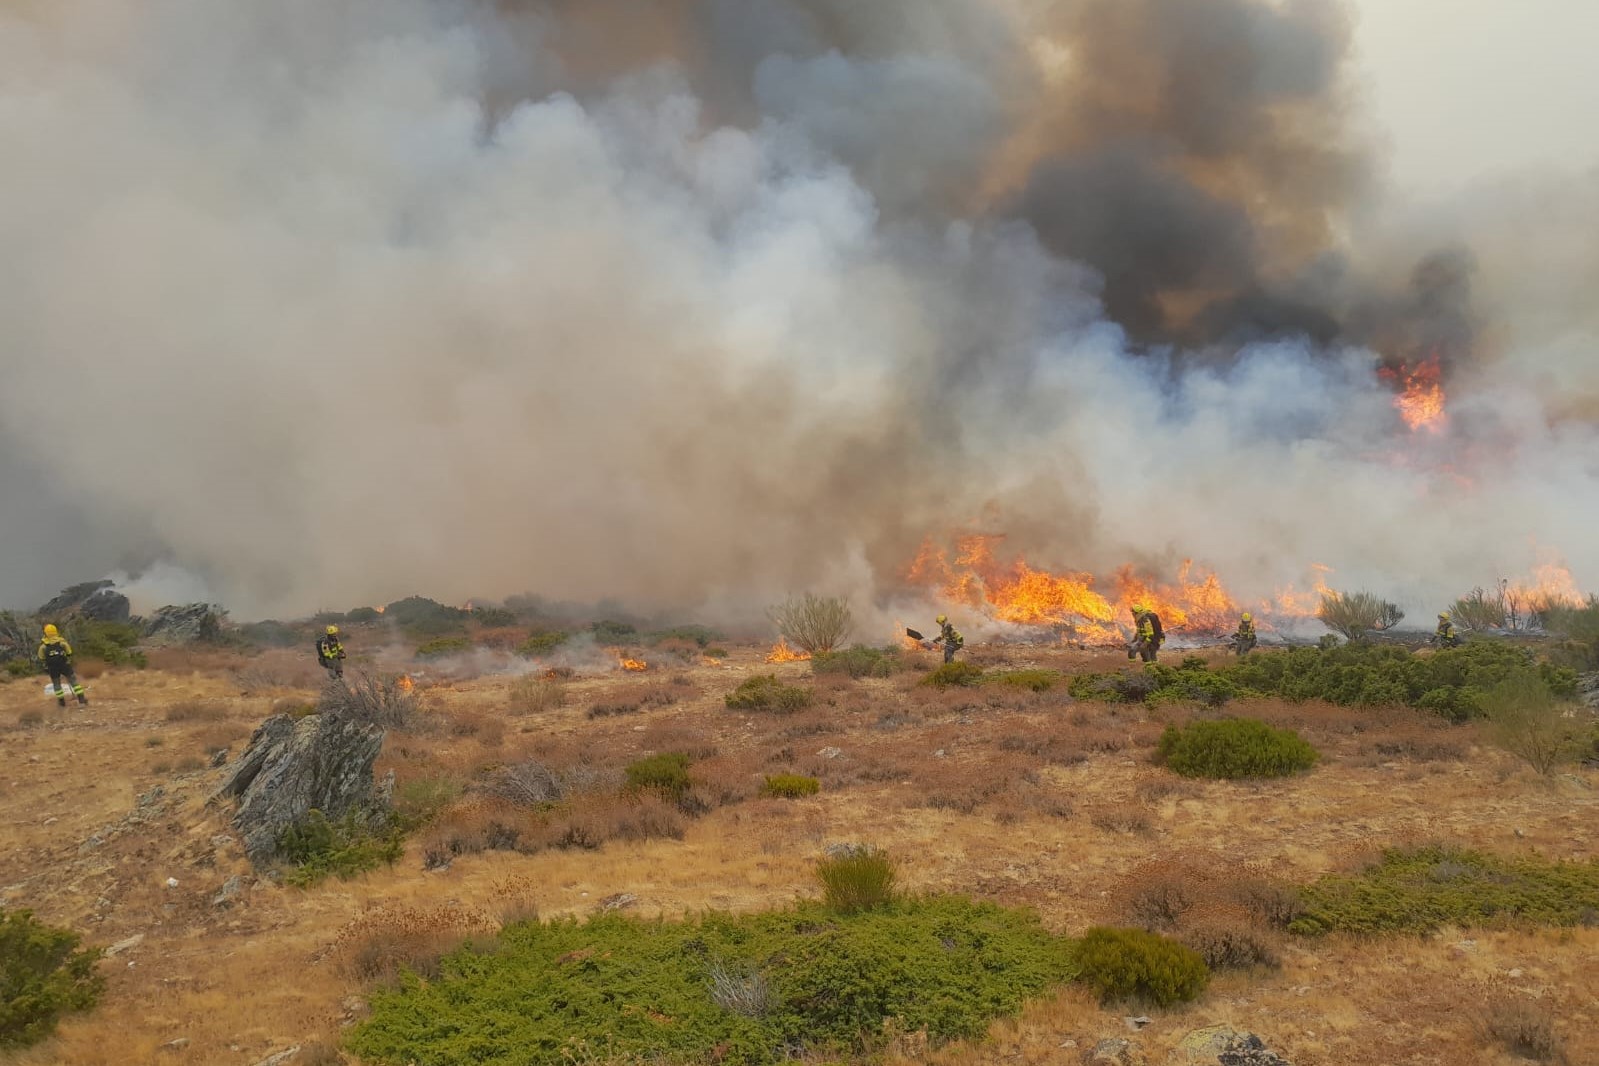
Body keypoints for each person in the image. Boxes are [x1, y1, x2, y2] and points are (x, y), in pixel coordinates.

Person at [37, 624, 88, 708]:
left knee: (57, 685)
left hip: (53, 668)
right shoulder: (62, 643)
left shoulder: (43, 647)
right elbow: (69, 652)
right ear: (56, 632)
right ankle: (81, 700)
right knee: (74, 682)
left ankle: (61, 703)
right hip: (64, 665)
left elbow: (41, 657)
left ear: (45, 633)